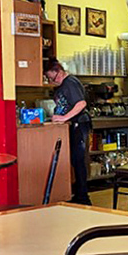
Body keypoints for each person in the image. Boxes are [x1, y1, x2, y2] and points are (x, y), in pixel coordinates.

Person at [43, 58, 91, 205]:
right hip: (72, 124)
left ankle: (83, 197)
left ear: (59, 71)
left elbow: (81, 103)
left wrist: (65, 117)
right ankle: (79, 194)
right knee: (74, 161)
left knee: (78, 161)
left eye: (53, 77)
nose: (52, 81)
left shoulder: (70, 83)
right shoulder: (63, 84)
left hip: (78, 124)